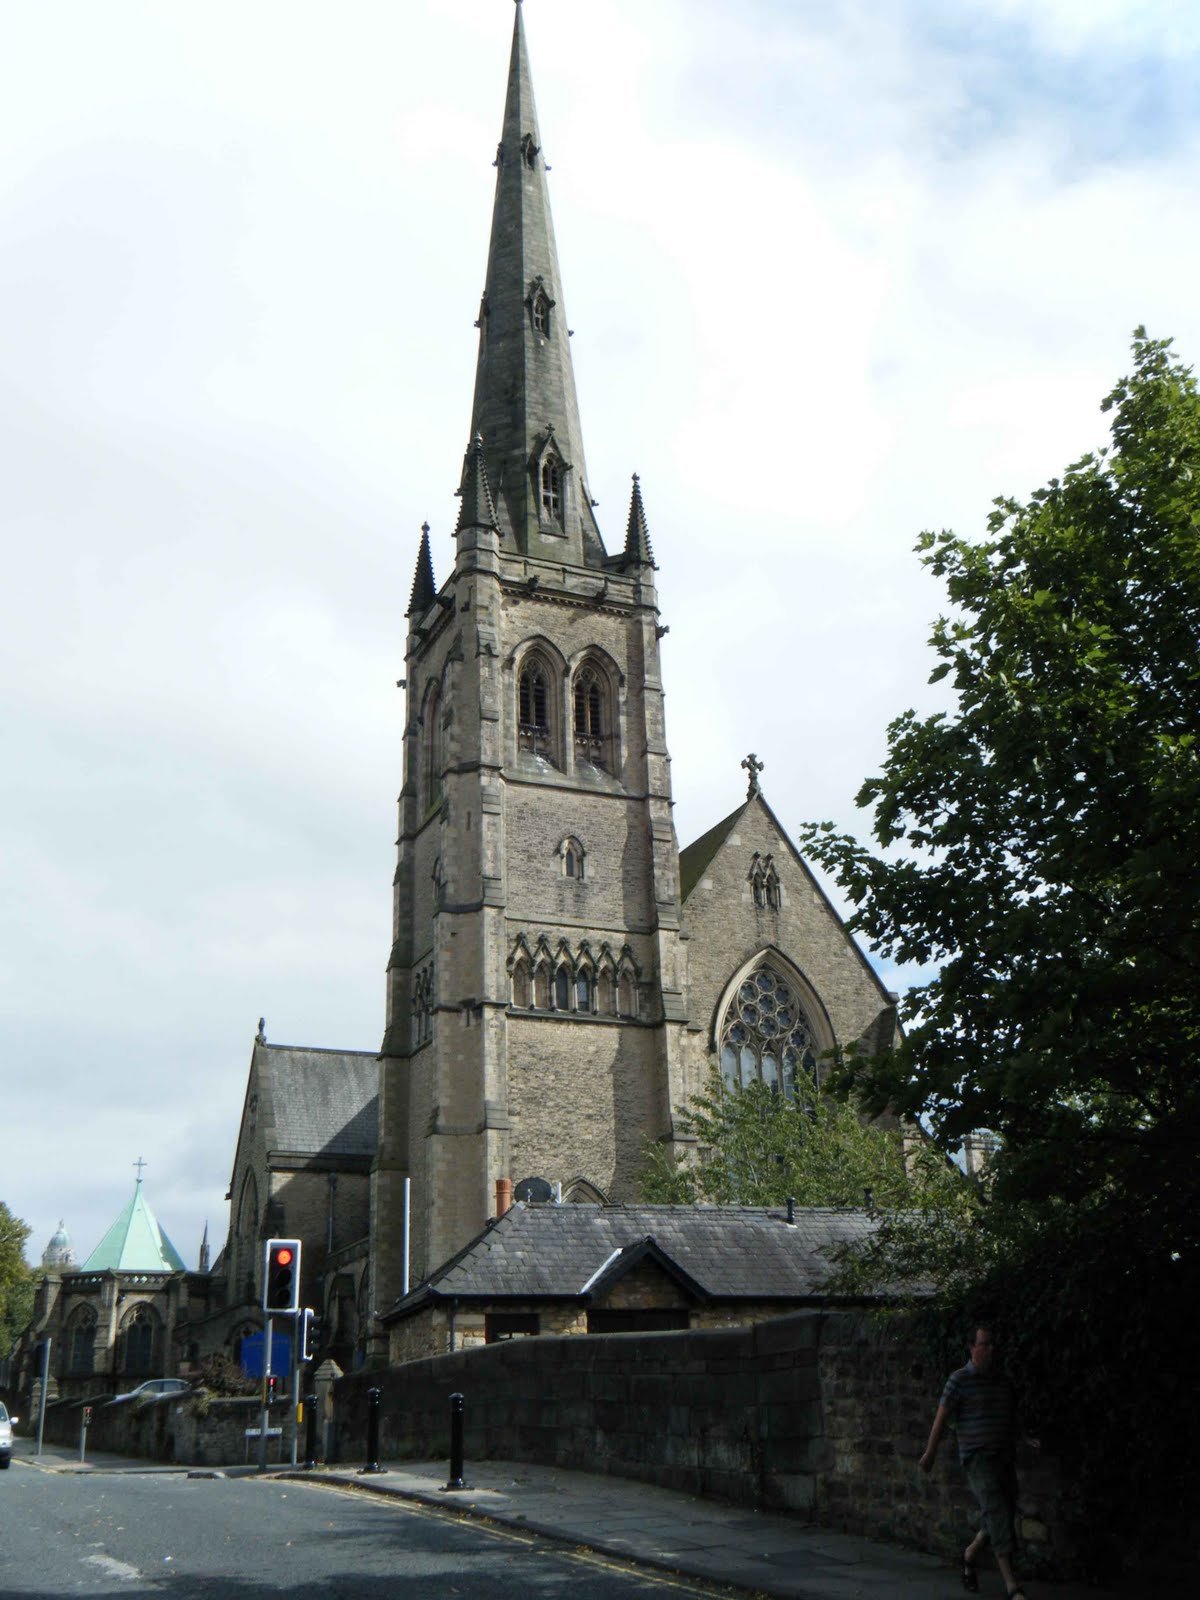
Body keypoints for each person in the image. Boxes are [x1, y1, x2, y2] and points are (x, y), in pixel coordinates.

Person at [920, 1325, 1039, 1599]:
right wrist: (930, 1453)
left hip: (1003, 1455)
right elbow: (941, 1419)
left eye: (992, 1344)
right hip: (977, 1458)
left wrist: (1025, 1437)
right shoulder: (959, 1380)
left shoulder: (1002, 1381)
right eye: (984, 1344)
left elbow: (1010, 1416)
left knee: (1003, 1512)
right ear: (972, 1348)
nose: (990, 1349)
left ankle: (970, 1554)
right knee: (997, 1511)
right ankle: (1012, 1585)